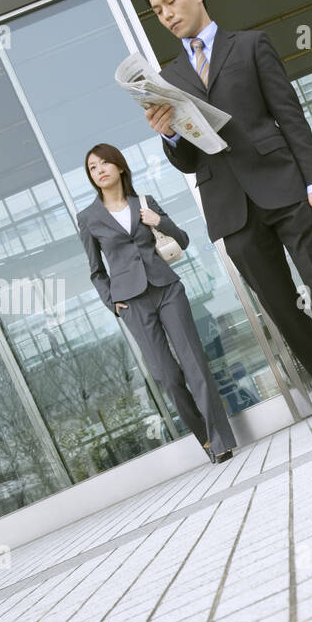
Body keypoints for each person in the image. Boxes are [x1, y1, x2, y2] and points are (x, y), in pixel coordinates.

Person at [136, 0, 312, 426]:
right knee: (285, 312)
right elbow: (189, 160)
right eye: (157, 11)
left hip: (285, 186)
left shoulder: (250, 46)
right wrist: (168, 135)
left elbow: (291, 117)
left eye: (171, 1)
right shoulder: (167, 80)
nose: (167, 15)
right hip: (231, 209)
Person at [78, 143, 236, 463]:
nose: (100, 170)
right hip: (132, 303)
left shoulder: (144, 202)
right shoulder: (88, 218)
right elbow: (96, 272)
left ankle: (220, 442)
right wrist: (112, 302)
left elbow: (183, 240)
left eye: (105, 163)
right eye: (93, 168)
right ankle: (205, 437)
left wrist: (157, 221)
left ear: (120, 167)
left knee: (195, 365)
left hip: (166, 290)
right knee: (168, 377)